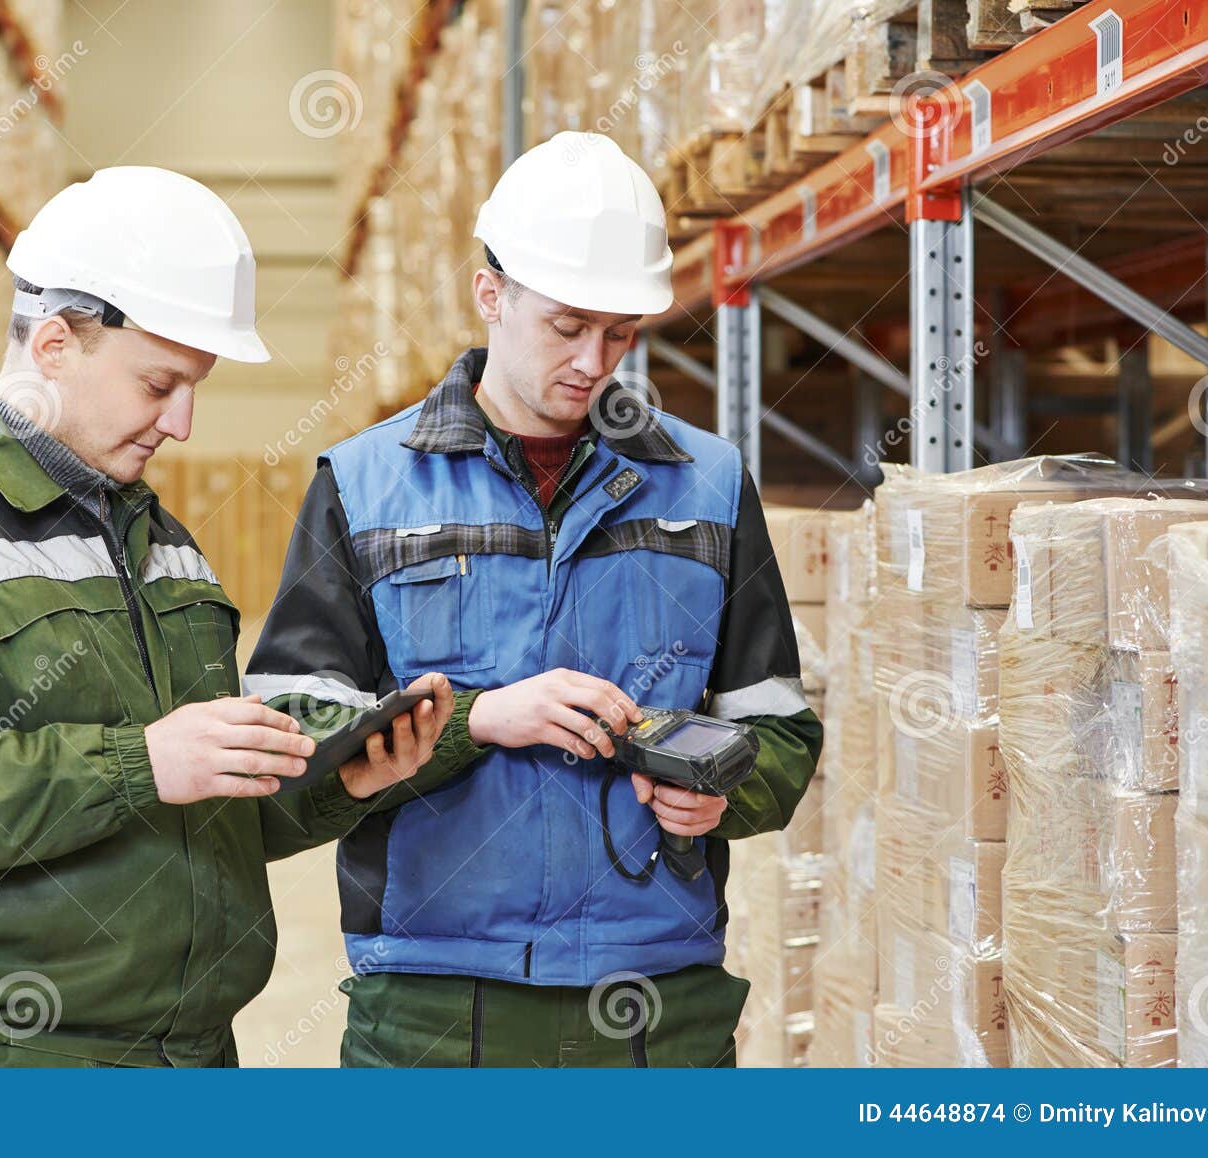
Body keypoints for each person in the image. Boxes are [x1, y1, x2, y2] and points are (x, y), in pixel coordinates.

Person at [0, 166, 463, 1068]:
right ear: (57, 344)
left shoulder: (159, 541)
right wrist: (138, 761)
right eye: (159, 384)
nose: (181, 423)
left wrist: (342, 786)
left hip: (193, 1056)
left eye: (196, 386)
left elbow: (199, 810)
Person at [247, 133, 822, 1067]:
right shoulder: (363, 485)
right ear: (492, 296)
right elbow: (294, 734)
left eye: (621, 333)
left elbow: (780, 727)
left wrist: (723, 796)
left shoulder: (710, 484)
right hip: (432, 1005)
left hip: (656, 1006)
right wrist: (481, 719)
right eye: (566, 326)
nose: (595, 362)